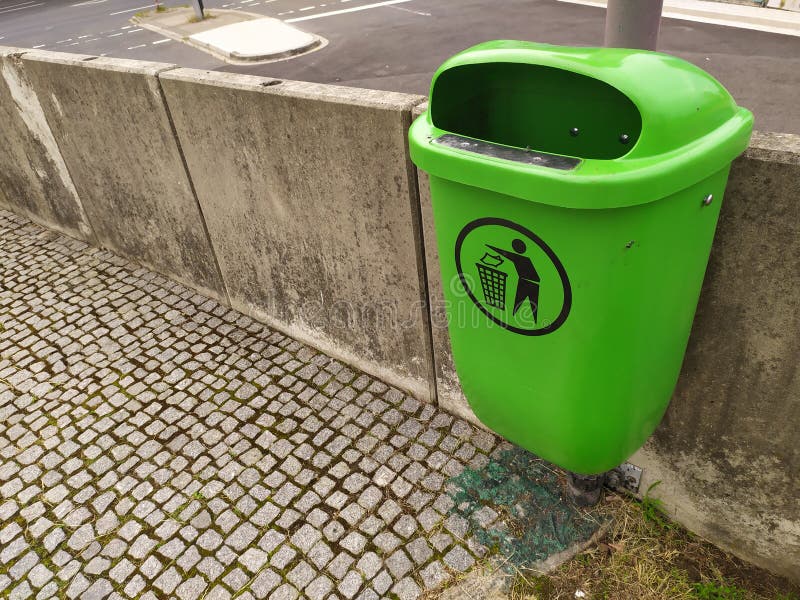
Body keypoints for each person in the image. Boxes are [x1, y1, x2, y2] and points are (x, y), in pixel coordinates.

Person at [486, 239, 540, 321]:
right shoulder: (523, 259)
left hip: (529, 282)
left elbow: (508, 255)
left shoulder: (522, 259)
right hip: (528, 282)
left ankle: (530, 320)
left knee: (527, 304)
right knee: (524, 304)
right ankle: (519, 318)